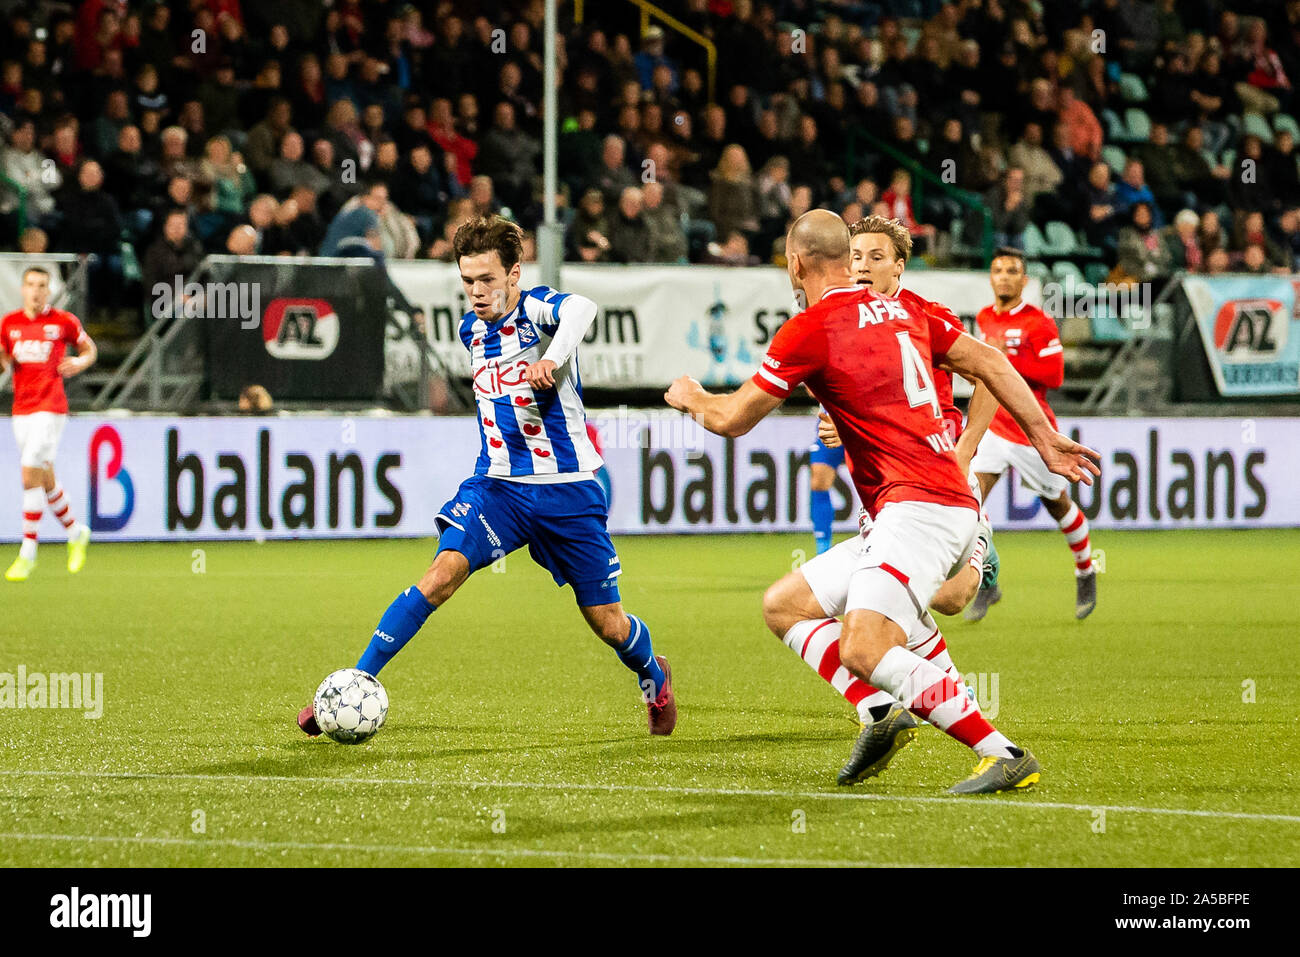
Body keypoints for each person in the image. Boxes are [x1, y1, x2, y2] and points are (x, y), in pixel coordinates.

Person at [666, 210, 1100, 793]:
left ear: (794, 264)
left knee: (865, 646)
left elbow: (731, 419)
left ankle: (1004, 752)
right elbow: (991, 361)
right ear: (849, 260)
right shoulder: (912, 310)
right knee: (784, 605)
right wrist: (1045, 439)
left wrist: (692, 397)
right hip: (917, 504)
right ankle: (879, 713)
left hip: (919, 504)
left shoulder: (809, 328)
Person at [298, 216, 675, 738]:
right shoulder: (470, 330)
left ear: (514, 273)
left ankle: (654, 675)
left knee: (607, 622)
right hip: (498, 487)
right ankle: (354, 684)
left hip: (567, 489)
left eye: (487, 280)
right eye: (467, 280)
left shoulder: (538, 309)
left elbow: (582, 309)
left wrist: (555, 358)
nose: (476, 292)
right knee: (440, 575)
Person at [969, 248, 1099, 621]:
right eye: (998, 270)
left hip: (1030, 430)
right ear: (991, 278)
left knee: (1058, 505)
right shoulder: (984, 318)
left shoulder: (1038, 323)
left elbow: (1054, 375)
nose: (1005, 276)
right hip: (993, 425)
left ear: (1024, 281)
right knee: (969, 502)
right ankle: (988, 580)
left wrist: (1003, 361)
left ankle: (1085, 570)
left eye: (1012, 271)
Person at [0, 267, 95, 582]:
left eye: (42, 285)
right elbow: (4, 357)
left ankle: (28, 551)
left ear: (49, 289)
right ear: (23, 289)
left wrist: (79, 362)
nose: (36, 291)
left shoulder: (63, 321)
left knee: (29, 469)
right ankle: (76, 532)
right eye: (31, 285)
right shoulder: (9, 323)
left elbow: (89, 349)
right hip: (22, 409)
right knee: (45, 479)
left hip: (50, 407)